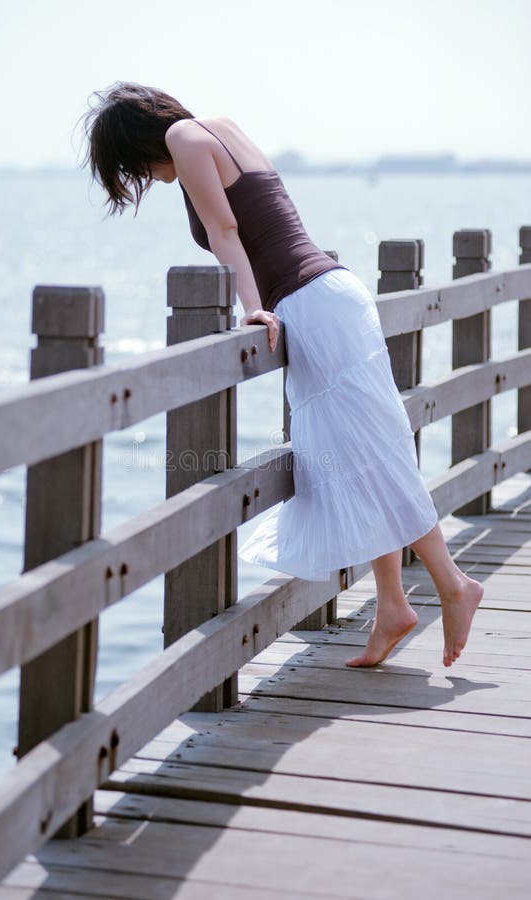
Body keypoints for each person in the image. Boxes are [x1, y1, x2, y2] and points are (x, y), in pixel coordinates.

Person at [82, 82, 484, 668]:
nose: (144, 176)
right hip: (330, 294)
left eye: (131, 165)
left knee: (369, 454)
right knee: (359, 454)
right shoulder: (221, 126)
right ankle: (394, 605)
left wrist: (250, 306)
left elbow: (227, 232)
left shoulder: (183, 137)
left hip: (310, 305)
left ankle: (452, 584)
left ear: (138, 140)